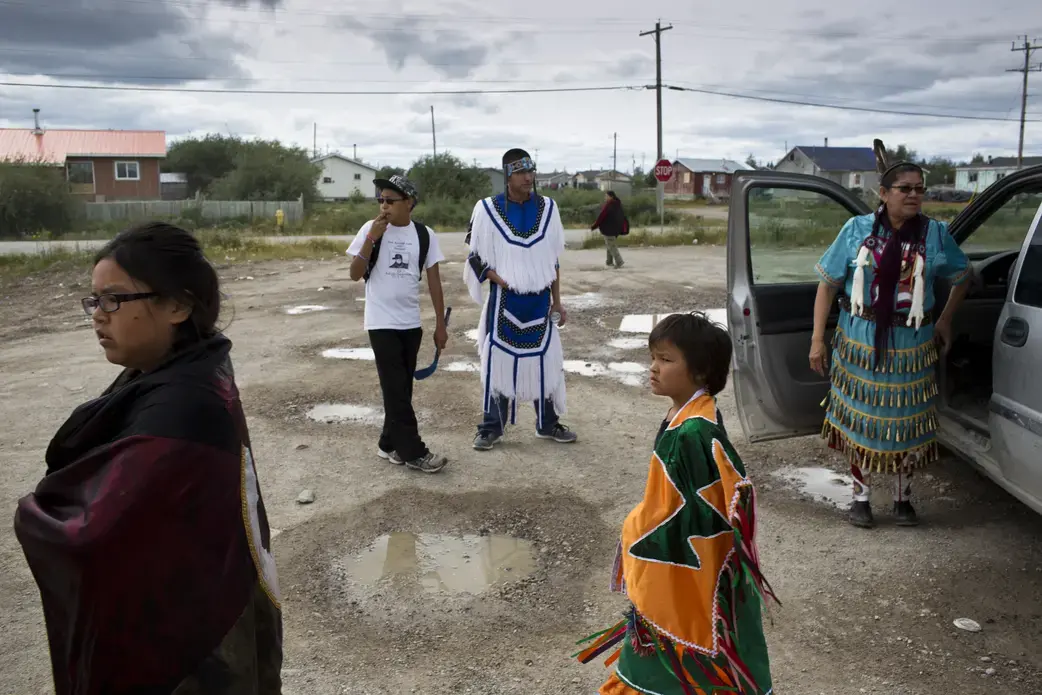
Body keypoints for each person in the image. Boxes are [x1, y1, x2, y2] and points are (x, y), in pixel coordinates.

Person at [13, 222, 283, 694]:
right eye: (94, 300)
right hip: (201, 607)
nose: (98, 315)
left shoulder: (182, 406)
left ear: (177, 305)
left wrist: (34, 513)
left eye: (114, 300)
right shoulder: (191, 366)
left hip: (190, 645)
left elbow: (90, 535)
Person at [576, 312, 777, 695]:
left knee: (688, 653)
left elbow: (703, 514)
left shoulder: (694, 433)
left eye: (666, 360)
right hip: (678, 570)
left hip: (687, 576)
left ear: (701, 373)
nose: (653, 368)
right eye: (653, 357)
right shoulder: (684, 416)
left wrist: (639, 526)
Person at [810, 144, 971, 529]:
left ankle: (903, 500)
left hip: (912, 344)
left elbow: (963, 276)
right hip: (858, 340)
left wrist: (944, 320)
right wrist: (818, 338)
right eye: (905, 188)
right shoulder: (856, 230)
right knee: (860, 418)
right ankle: (860, 499)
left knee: (905, 419)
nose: (915, 195)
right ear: (883, 193)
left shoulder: (935, 234)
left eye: (919, 188)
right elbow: (828, 285)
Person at [464, 147, 577, 451]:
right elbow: (474, 256)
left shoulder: (549, 208)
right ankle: (490, 427)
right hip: (504, 301)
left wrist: (557, 301)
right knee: (497, 360)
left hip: (540, 302)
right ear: (508, 175)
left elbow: (553, 260)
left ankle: (548, 422)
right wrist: (497, 278)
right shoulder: (487, 209)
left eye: (531, 171)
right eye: (522, 173)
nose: (529, 178)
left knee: (546, 360)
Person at [347, 174, 448, 473]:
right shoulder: (370, 229)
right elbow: (354, 273)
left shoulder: (424, 235)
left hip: (410, 323)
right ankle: (413, 451)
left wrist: (440, 325)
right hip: (381, 322)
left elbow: (435, 283)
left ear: (409, 203)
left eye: (390, 201)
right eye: (380, 200)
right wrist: (370, 240)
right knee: (394, 387)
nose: (384, 206)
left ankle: (388, 443)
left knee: (401, 388)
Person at [591, 190, 627, 268]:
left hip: (609, 229)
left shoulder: (609, 205)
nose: (605, 198)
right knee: (609, 245)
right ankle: (609, 261)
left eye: (606, 196)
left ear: (611, 197)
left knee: (611, 246)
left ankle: (619, 262)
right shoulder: (618, 205)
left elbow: (601, 217)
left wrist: (594, 225)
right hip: (616, 229)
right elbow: (623, 217)